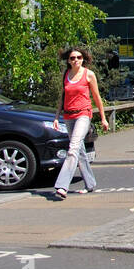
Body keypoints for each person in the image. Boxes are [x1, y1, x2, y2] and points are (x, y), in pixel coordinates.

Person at [52, 47, 109, 200]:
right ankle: (90, 183)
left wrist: (103, 118)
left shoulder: (89, 75)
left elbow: (97, 98)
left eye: (78, 57)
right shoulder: (66, 75)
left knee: (73, 148)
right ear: (68, 61)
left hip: (83, 114)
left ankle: (62, 185)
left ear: (83, 59)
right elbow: (62, 98)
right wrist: (57, 117)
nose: (75, 60)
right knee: (80, 151)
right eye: (72, 58)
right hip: (69, 116)